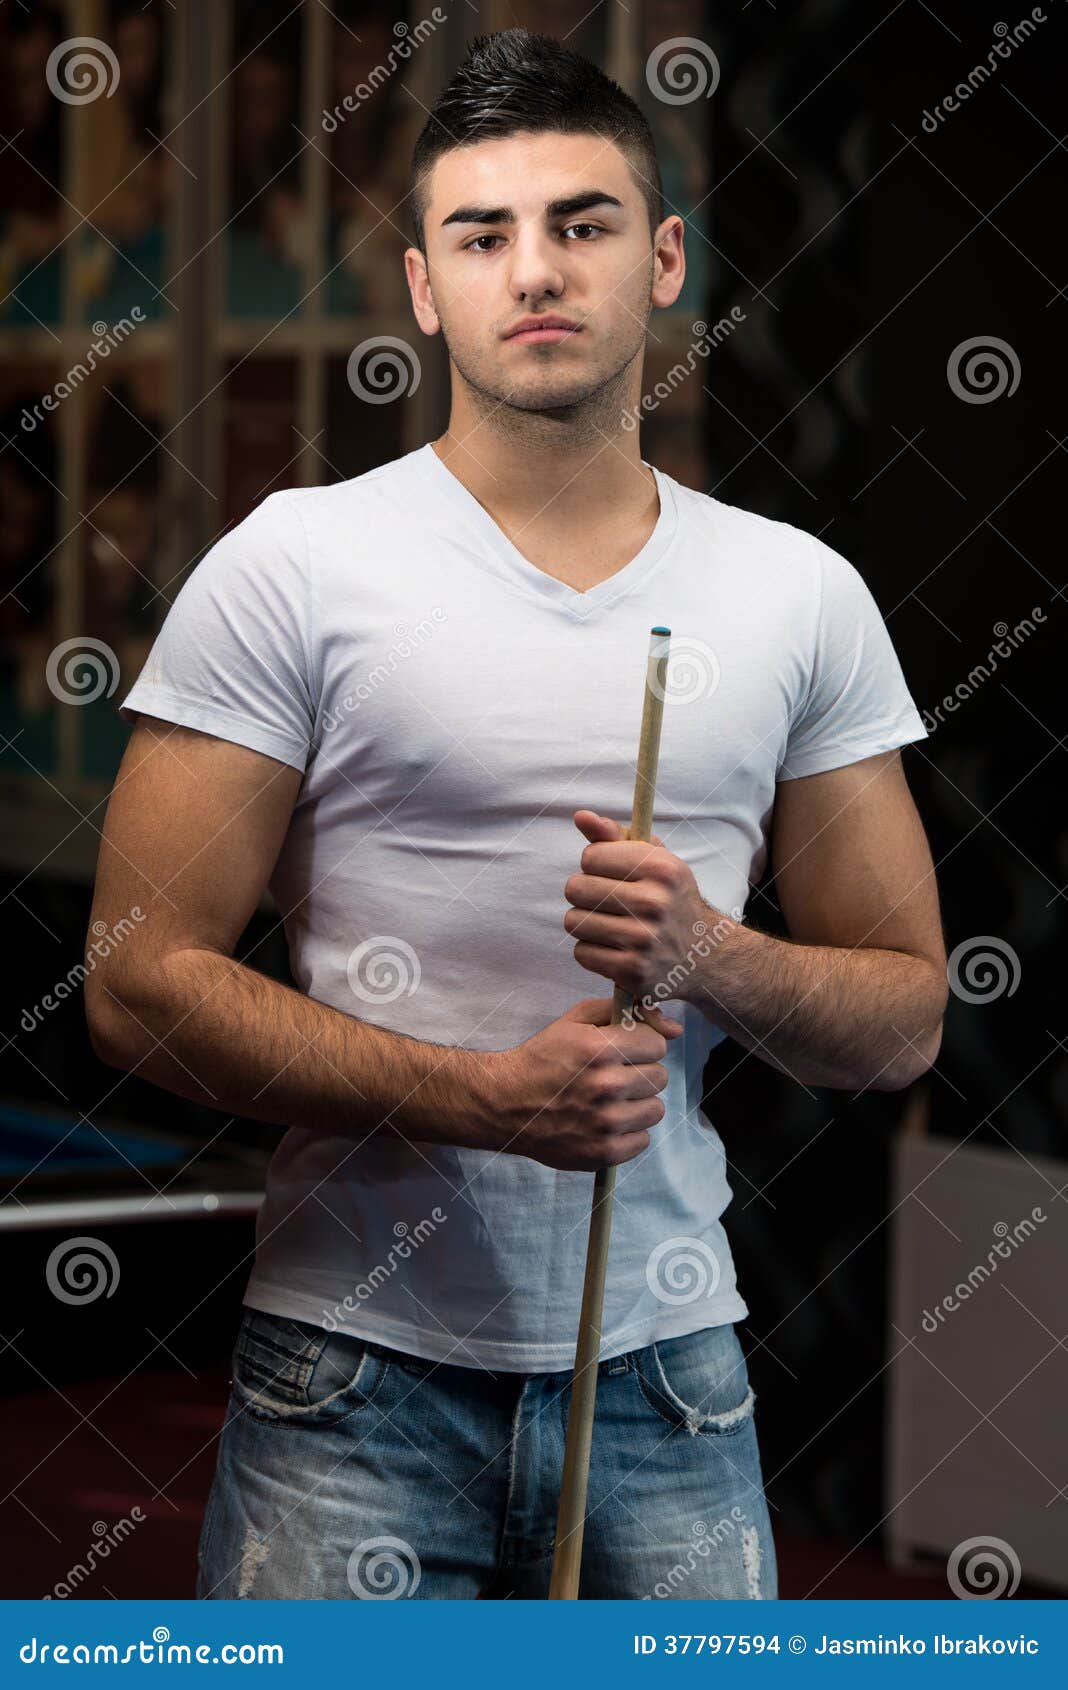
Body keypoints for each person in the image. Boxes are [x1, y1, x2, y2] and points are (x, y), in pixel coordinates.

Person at [85, 28, 947, 1601]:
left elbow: (903, 1021)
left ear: (664, 259)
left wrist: (707, 953)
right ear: (424, 287)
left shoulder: (798, 593)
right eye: (482, 235)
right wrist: (486, 1100)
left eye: (582, 222)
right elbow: (136, 984)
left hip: (669, 1374)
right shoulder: (293, 565)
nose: (534, 270)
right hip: (351, 1372)